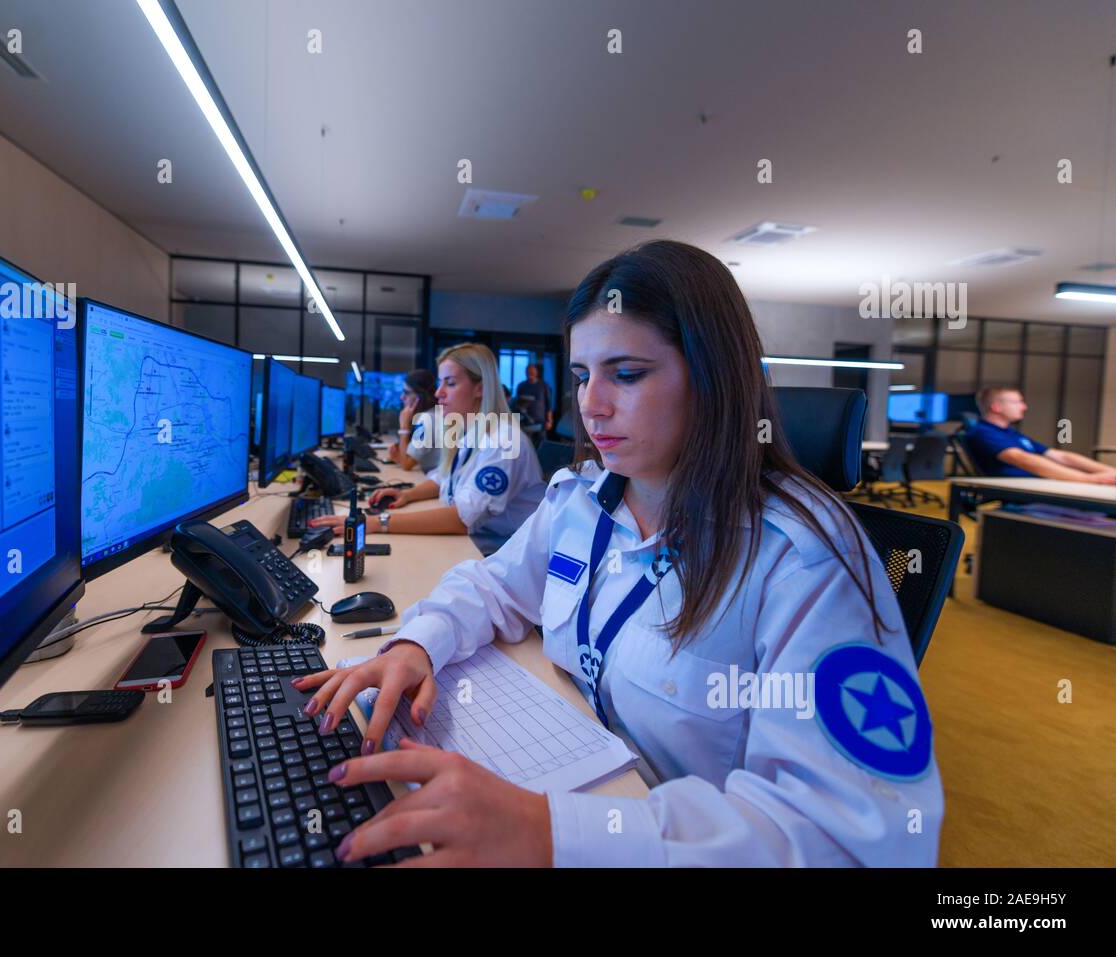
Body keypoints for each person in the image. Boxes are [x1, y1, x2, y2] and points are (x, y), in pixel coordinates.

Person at [296, 240, 941, 867]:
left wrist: (553, 834)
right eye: (582, 375)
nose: (590, 405)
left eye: (626, 375)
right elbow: (496, 586)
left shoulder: (805, 559)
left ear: (716, 378)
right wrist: (418, 644)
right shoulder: (581, 496)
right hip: (586, 769)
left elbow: (859, 839)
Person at [310, 343, 545, 556]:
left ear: (480, 389)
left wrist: (378, 522)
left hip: (503, 557)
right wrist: (407, 495)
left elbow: (461, 519)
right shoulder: (464, 429)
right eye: (440, 382)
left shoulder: (505, 440)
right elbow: (443, 477)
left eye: (450, 383)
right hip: (471, 546)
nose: (438, 393)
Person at [964, 386, 1116, 483]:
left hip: (1039, 483)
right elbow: (1023, 459)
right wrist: (1088, 479)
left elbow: (1060, 456)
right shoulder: (982, 433)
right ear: (996, 407)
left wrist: (1109, 472)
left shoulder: (1011, 434)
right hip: (1022, 488)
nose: (1024, 407)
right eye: (1017, 402)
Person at [391, 369, 439, 473]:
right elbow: (407, 459)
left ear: (421, 396)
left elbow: (406, 464)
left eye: (406, 393)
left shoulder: (427, 419)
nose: (402, 397)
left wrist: (404, 428)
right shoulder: (433, 414)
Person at [514, 362, 554, 435]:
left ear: (536, 373)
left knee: (541, 443)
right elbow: (517, 405)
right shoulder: (521, 386)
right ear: (526, 373)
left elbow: (549, 405)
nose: (530, 374)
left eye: (532, 372)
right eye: (528, 372)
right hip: (525, 420)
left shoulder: (544, 386)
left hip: (540, 421)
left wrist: (549, 421)